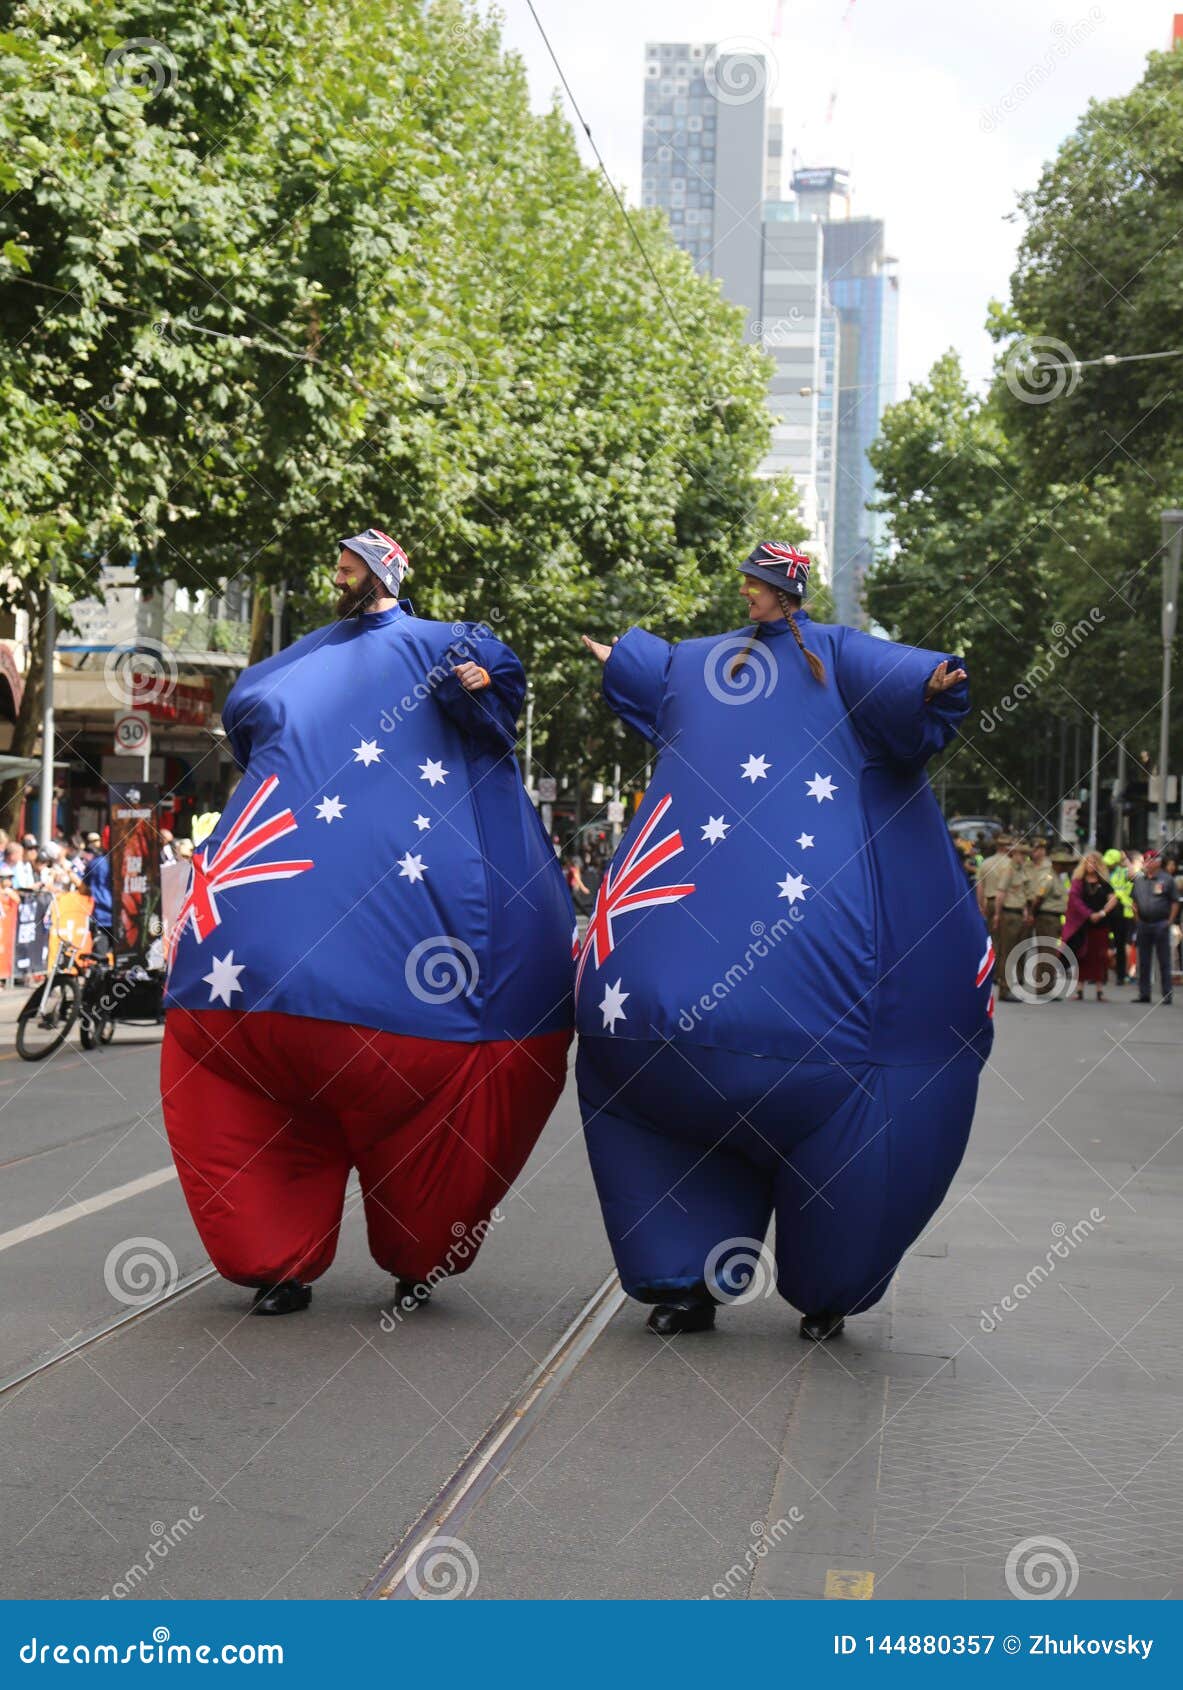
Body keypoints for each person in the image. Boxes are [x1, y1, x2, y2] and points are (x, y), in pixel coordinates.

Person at [576, 539, 992, 1343]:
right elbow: (653, 671)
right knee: (668, 1133)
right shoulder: (704, 665)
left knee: (853, 1176)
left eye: (760, 585)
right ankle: (687, 1278)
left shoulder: (838, 662)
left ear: (788, 592)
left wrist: (933, 680)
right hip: (666, 1036)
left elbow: (910, 689)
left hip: (830, 1040)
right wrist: (617, 656)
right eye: (744, 582)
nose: (747, 595)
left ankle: (826, 1282)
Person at [162, 527, 575, 1316]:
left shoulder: (440, 652)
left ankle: (308, 1253)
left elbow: (487, 699)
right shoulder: (299, 666)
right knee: (425, 1155)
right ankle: (383, 1253)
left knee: (258, 1106)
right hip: (394, 1011)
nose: (335, 573)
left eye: (348, 563)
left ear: (381, 571)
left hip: (240, 987)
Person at [1062, 853, 1117, 1001]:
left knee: (1100, 957)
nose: (1091, 865)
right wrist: (1089, 915)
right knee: (1082, 956)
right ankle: (1079, 989)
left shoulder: (1104, 882)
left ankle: (1099, 990)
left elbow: (1113, 900)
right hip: (1083, 925)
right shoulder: (1078, 882)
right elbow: (1075, 900)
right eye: (1088, 862)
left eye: (1094, 862)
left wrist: (1102, 913)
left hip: (1101, 925)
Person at [1131, 853, 1178, 1005]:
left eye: (1151, 860)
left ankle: (1167, 994)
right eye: (1146, 861)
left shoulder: (1167, 879)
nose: (1147, 863)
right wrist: (1137, 919)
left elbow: (1174, 902)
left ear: (1158, 863)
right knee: (1143, 961)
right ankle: (1144, 994)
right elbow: (1134, 902)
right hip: (1144, 923)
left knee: (1164, 961)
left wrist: (1169, 921)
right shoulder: (1139, 880)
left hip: (1160, 923)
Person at [994, 839, 1029, 1003]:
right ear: (1013, 854)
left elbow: (1021, 893)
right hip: (1009, 914)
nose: (1023, 857)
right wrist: (996, 914)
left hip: (1017, 914)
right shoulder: (1008, 870)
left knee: (1014, 952)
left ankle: (1009, 986)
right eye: (1020, 853)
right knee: (1007, 953)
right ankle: (1004, 988)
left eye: (1025, 854)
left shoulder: (1020, 871)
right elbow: (1000, 894)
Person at [1102, 847, 1134, 986]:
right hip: (1106, 909)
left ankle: (1121, 976)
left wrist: (1125, 860)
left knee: (1120, 945)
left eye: (1111, 862)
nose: (1108, 865)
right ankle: (1099, 975)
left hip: (1121, 911)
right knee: (1101, 943)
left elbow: (1133, 875)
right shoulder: (1102, 873)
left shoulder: (1123, 871)